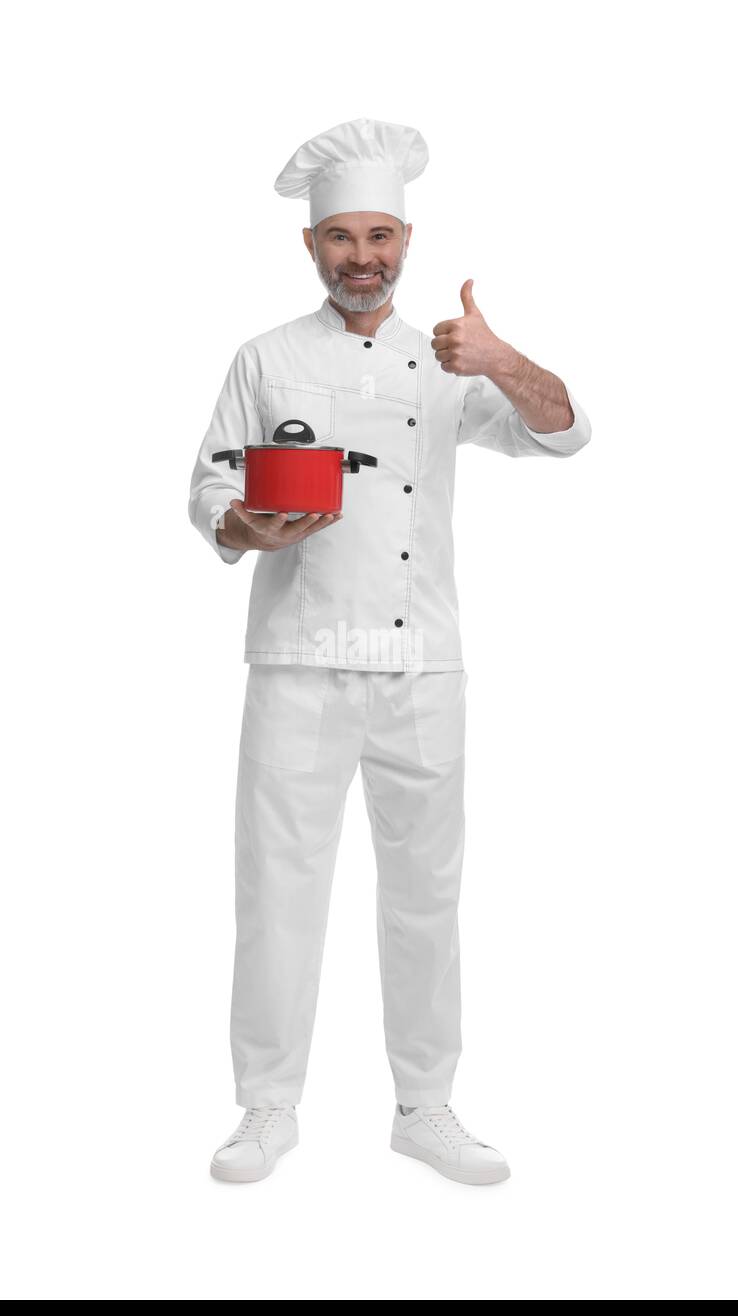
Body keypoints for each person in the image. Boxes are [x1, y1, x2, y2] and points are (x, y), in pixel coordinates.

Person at [189, 117, 592, 1186]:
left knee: (427, 892)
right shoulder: (264, 357)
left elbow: (565, 431)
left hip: (424, 664)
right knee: (277, 890)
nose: (362, 256)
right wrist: (246, 528)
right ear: (310, 247)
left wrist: (500, 356)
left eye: (381, 236)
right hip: (297, 661)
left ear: (406, 242)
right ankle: (267, 1107)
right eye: (341, 238)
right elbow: (211, 489)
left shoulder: (449, 360)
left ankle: (425, 1106)